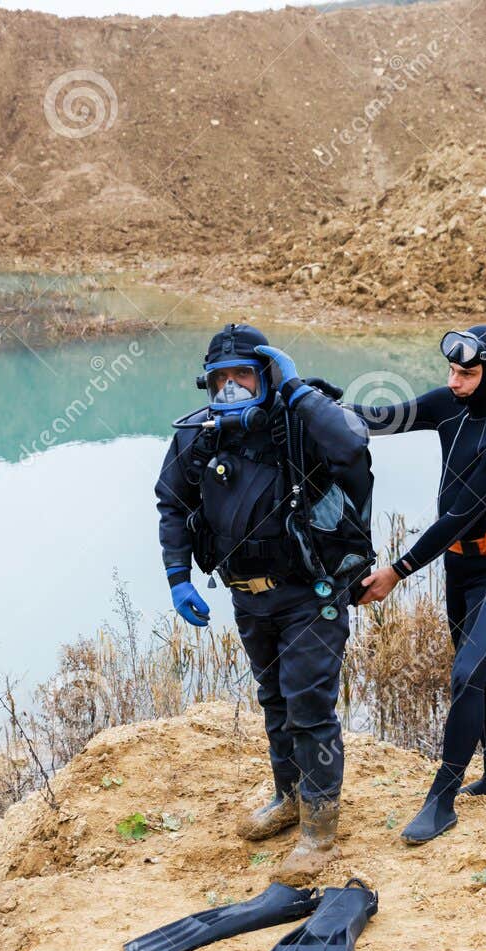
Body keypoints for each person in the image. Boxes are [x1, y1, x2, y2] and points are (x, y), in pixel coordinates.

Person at [156, 324, 373, 882]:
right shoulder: (198, 437)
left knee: (309, 706)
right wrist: (178, 576)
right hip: (248, 597)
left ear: (266, 377)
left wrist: (295, 389)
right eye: (220, 381)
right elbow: (171, 505)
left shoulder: (301, 422)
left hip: (310, 596)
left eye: (243, 378)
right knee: (274, 700)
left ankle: (320, 833)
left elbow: (353, 447)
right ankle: (290, 797)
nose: (230, 391)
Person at [353, 325, 486, 845]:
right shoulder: (446, 403)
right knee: (481, 671)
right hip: (460, 567)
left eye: (468, 373)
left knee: (466, 674)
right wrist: (314, 403)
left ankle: (443, 797)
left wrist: (397, 571)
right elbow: (378, 420)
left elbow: (460, 516)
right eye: (452, 371)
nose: (455, 381)